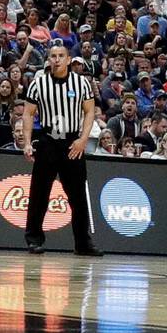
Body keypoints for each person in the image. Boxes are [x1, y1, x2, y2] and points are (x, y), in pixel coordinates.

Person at [22, 43, 101, 256]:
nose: (57, 59)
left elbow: (90, 112)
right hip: (48, 141)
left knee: (77, 196)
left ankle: (82, 243)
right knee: (39, 193)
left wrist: (83, 140)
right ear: (49, 60)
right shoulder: (38, 84)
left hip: (72, 143)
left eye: (61, 56)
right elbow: (28, 114)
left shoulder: (81, 83)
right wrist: (27, 142)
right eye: (53, 56)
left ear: (68, 59)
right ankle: (34, 239)